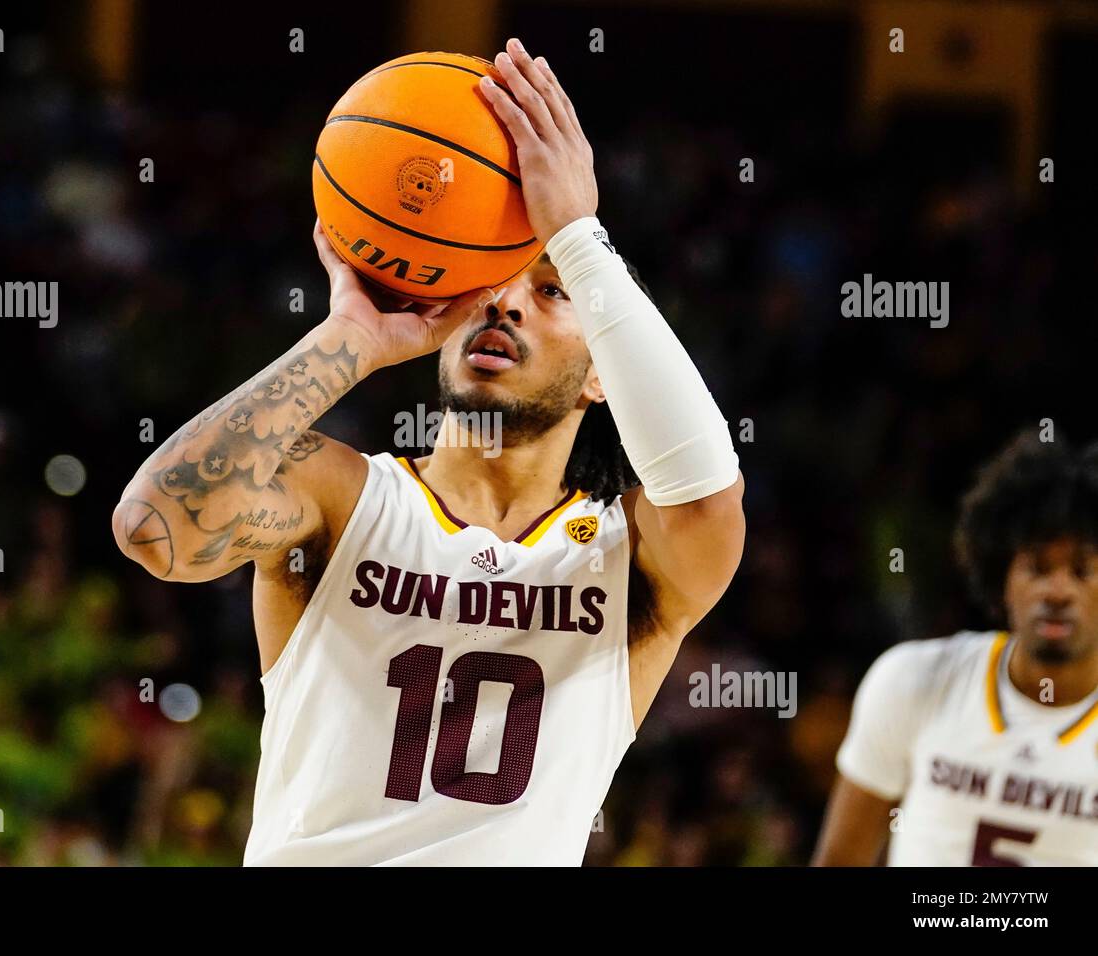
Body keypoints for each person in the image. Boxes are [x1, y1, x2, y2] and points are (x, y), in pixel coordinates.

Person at [113, 37, 745, 865]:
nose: (507, 305)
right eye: (489, 284)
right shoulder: (337, 499)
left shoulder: (636, 560)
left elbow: (705, 493)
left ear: (606, 377)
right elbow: (156, 527)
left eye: (551, 291)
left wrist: (580, 236)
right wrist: (351, 335)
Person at [814, 431, 1098, 866]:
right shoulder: (913, 680)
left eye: (1082, 571)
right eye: (1037, 568)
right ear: (1001, 577)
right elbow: (840, 860)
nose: (1057, 591)